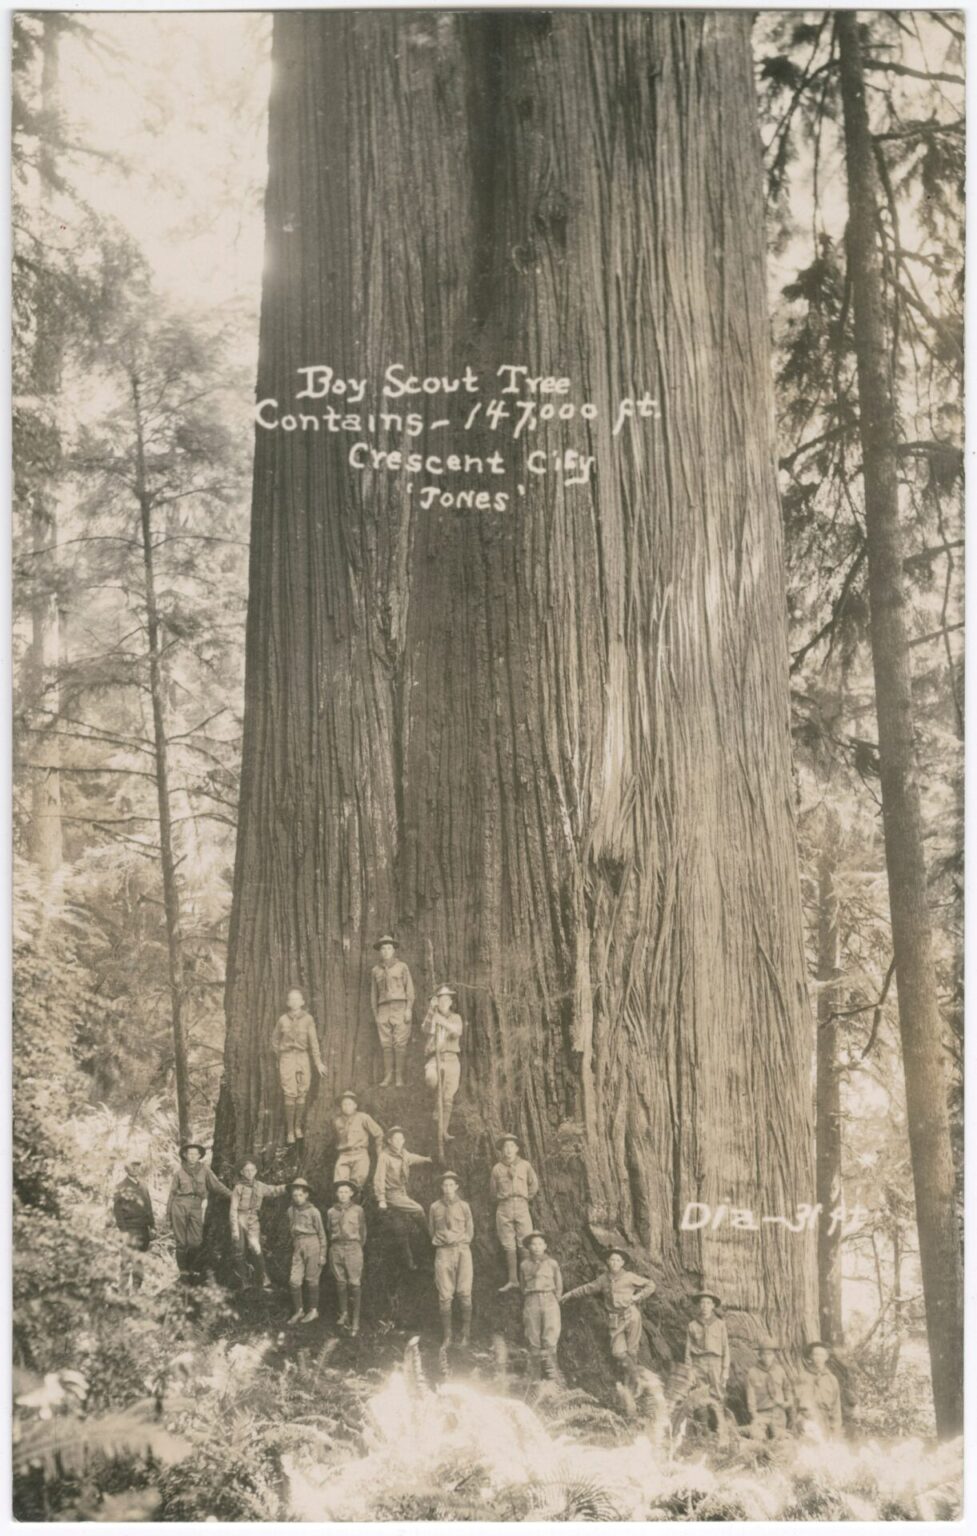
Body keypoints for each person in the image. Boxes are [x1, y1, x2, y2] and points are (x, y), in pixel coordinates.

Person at [563, 1250, 656, 1388]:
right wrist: (570, 1294)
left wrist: (638, 1296)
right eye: (612, 1260)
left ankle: (631, 1384)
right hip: (614, 1318)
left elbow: (650, 1285)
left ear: (622, 1263)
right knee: (618, 1352)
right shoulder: (603, 1279)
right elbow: (588, 1288)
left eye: (618, 1260)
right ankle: (637, 1377)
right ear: (607, 1262)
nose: (615, 1263)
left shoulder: (629, 1276)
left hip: (631, 1314)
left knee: (632, 1351)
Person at [166, 1142, 232, 1278]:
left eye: (195, 1154)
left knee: (195, 1242)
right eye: (190, 1154)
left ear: (199, 1156)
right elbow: (172, 1194)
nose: (192, 1156)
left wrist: (232, 1195)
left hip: (196, 1205)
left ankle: (193, 1267)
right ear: (185, 1155)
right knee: (181, 1242)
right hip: (179, 1205)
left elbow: (216, 1185)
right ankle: (183, 1271)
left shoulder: (205, 1170)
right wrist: (168, 1215)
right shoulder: (179, 1172)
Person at [374, 1126, 432, 1272]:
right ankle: (431, 1236)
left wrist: (427, 1159)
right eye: (395, 1139)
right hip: (391, 1194)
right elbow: (379, 1178)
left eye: (401, 1139)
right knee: (418, 1209)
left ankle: (409, 1263)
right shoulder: (384, 1156)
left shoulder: (404, 1154)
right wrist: (381, 1198)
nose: (399, 1142)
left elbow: (413, 1158)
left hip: (402, 1192)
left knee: (401, 1230)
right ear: (389, 1141)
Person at [271, 989, 325, 1145]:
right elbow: (274, 1041)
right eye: (291, 999)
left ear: (302, 1002)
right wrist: (281, 1057)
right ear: (288, 1003)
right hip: (287, 1057)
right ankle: (289, 1130)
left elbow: (314, 1042)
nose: (294, 1002)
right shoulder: (282, 1019)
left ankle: (297, 1127)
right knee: (289, 1092)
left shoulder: (308, 1019)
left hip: (302, 1056)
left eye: (297, 999)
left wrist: (318, 1062)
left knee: (302, 1090)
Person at [428, 1171, 474, 1349]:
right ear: (441, 1187)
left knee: (464, 1292)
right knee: (445, 1294)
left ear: (456, 1187)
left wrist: (463, 1241)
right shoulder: (434, 1207)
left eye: (451, 1185)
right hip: (443, 1252)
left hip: (462, 1250)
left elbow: (470, 1229)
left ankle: (466, 1334)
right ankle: (447, 1336)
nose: (448, 1188)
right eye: (445, 1185)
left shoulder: (464, 1206)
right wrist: (441, 1241)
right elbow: (431, 1229)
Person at [491, 1134, 539, 1292]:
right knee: (508, 1245)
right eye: (505, 1147)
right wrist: (503, 1198)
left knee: (524, 1243)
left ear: (517, 1148)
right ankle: (513, 1280)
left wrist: (525, 1198)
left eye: (511, 1146)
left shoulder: (525, 1165)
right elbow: (492, 1192)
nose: (508, 1150)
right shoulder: (497, 1169)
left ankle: (525, 1281)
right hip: (504, 1207)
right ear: (501, 1150)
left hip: (521, 1206)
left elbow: (534, 1185)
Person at [229, 1159, 286, 1291]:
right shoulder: (238, 1188)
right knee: (239, 1250)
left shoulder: (259, 1186)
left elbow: (273, 1191)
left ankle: (263, 1278)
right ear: (242, 1172)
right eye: (246, 1170)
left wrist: (287, 1187)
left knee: (255, 1246)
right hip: (239, 1218)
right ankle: (244, 1281)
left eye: (252, 1170)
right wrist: (234, 1230)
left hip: (253, 1218)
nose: (249, 1173)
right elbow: (233, 1209)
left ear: (256, 1171)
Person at [371, 935, 415, 1088]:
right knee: (386, 1044)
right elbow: (373, 995)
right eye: (383, 948)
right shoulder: (376, 970)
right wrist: (376, 1014)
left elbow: (409, 989)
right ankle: (388, 1075)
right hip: (383, 1008)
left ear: (394, 950)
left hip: (400, 1007)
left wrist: (408, 1009)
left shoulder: (402, 966)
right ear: (380, 951)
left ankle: (399, 1076)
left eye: (389, 948)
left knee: (400, 1043)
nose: (386, 951)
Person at [519, 1231, 563, 1382]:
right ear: (529, 1247)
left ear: (545, 1246)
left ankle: (554, 1380)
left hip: (549, 1299)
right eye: (533, 1244)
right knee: (533, 1339)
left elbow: (558, 1285)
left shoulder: (552, 1263)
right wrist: (531, 1297)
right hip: (532, 1299)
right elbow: (522, 1285)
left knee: (550, 1339)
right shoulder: (524, 1265)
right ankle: (535, 1380)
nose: (536, 1247)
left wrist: (554, 1300)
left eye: (539, 1244)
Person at [422, 985, 463, 1140]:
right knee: (431, 1078)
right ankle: (436, 1101)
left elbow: (456, 1032)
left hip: (452, 1059)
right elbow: (426, 1029)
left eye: (446, 999)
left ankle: (443, 1131)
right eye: (440, 999)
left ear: (451, 1001)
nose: (443, 1002)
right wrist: (432, 1012)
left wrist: (443, 1022)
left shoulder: (456, 1017)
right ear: (436, 1002)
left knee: (448, 1098)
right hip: (436, 1058)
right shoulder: (432, 1015)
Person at [327, 1179, 368, 1335]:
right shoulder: (331, 1211)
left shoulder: (358, 1210)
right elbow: (328, 1230)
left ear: (351, 1194)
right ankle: (344, 1315)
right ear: (337, 1194)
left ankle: (356, 1322)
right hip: (336, 1248)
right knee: (340, 1282)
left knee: (354, 1283)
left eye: (346, 1192)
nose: (343, 1195)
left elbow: (363, 1231)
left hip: (353, 1248)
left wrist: (356, 1247)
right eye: (340, 1192)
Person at [287, 1177, 326, 1325]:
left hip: (313, 1244)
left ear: (306, 1195)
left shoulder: (314, 1211)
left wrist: (322, 1254)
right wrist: (297, 1245)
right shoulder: (290, 1210)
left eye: (300, 1195)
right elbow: (291, 1229)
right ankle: (299, 1311)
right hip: (298, 1245)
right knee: (294, 1281)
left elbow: (321, 1234)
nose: (297, 1198)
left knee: (312, 1280)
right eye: (295, 1195)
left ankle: (313, 1311)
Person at [112, 1159, 155, 1291]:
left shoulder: (143, 1186)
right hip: (129, 1229)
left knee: (139, 1260)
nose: (135, 1169)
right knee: (126, 1261)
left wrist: (152, 1226)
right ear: (127, 1169)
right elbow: (117, 1212)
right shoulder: (120, 1187)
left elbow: (148, 1207)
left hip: (143, 1229)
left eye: (137, 1167)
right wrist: (123, 1231)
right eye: (132, 1167)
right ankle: (122, 1292)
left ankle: (136, 1291)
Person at [331, 1090, 384, 1188]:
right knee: (340, 1185)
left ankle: (355, 1203)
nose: (347, 1107)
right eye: (344, 1104)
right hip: (344, 1155)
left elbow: (378, 1133)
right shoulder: (337, 1121)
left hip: (360, 1154)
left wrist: (379, 1151)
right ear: (341, 1106)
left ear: (355, 1105)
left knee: (357, 1185)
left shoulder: (363, 1118)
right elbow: (336, 1138)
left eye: (350, 1104)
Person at [685, 1291, 730, 1403]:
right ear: (699, 1305)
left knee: (718, 1395)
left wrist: (725, 1371)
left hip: (715, 1363)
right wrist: (689, 1370)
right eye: (702, 1303)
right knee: (699, 1396)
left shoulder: (720, 1324)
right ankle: (703, 1421)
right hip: (698, 1363)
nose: (705, 1306)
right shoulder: (692, 1325)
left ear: (713, 1306)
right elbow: (688, 1350)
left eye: (708, 1303)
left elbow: (725, 1348)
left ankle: (718, 1420)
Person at [745, 1336, 792, 1439]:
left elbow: (787, 1388)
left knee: (781, 1440)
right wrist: (754, 1415)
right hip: (762, 1413)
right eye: (764, 1354)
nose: (767, 1357)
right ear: (759, 1356)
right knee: (758, 1437)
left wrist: (788, 1402)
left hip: (779, 1413)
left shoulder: (780, 1370)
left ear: (774, 1355)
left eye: (770, 1354)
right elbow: (750, 1398)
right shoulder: (752, 1372)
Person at [794, 1341, 844, 1438]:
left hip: (825, 1420)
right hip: (806, 1420)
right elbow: (795, 1403)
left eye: (822, 1355)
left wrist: (835, 1428)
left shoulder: (831, 1379)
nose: (818, 1358)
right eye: (815, 1354)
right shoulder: (802, 1377)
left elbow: (836, 1407)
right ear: (810, 1357)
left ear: (826, 1357)